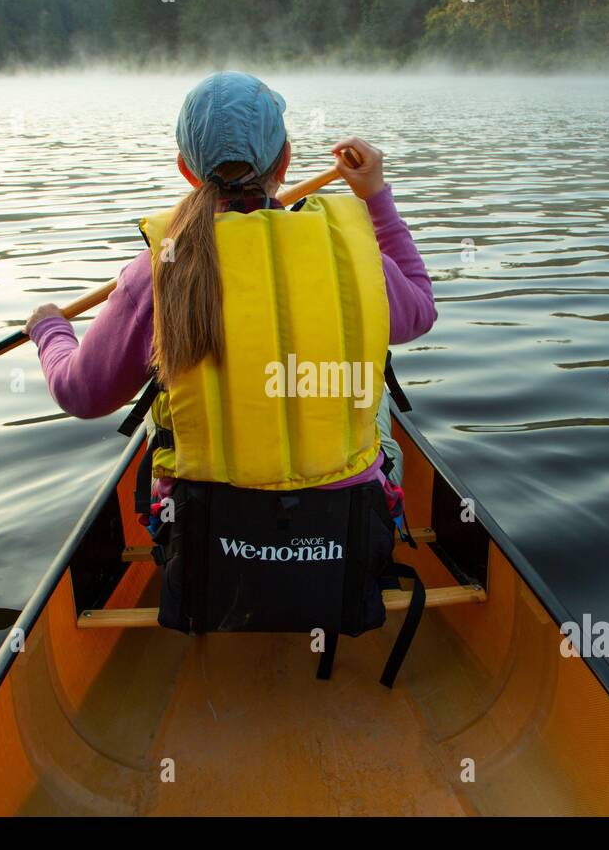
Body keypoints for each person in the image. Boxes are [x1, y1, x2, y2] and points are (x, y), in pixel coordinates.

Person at [22, 71, 435, 685]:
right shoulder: (353, 254)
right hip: (343, 538)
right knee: (371, 404)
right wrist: (375, 197)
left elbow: (81, 393)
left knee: (171, 419)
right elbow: (419, 312)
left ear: (187, 171)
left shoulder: (157, 270)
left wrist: (50, 331)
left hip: (204, 537)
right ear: (287, 160)